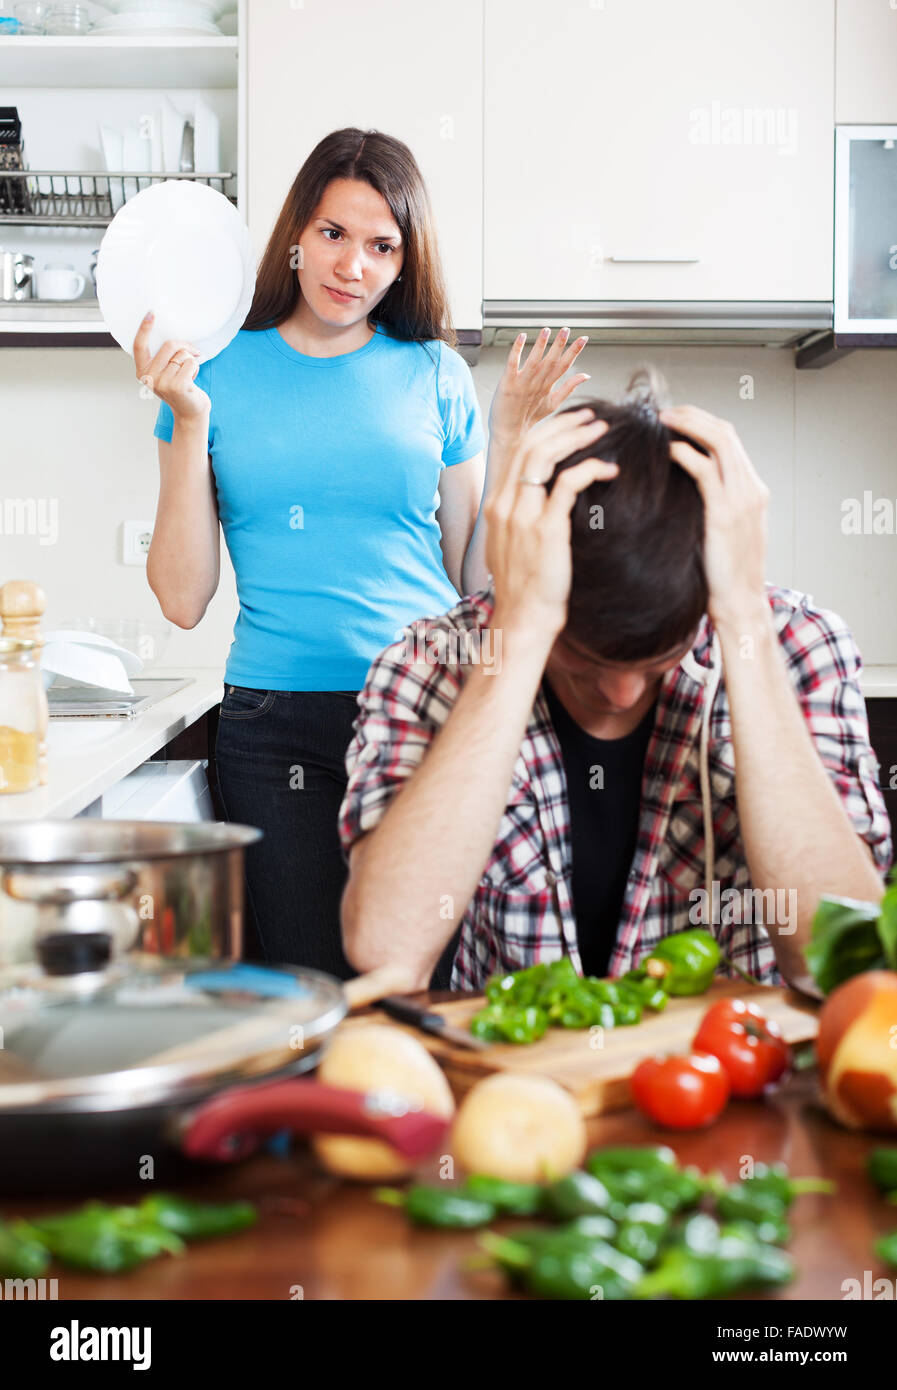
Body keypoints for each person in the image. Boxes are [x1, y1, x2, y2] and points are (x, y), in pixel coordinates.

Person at [137, 127, 590, 979]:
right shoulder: (213, 373)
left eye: (382, 246)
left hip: (426, 707)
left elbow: (475, 579)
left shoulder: (433, 371)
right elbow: (181, 598)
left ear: (403, 261)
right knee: (314, 990)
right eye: (336, 235)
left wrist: (510, 441)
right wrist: (188, 419)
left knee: (423, 981)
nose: (353, 267)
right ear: (297, 237)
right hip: (276, 729)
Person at [338, 363, 892, 993]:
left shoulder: (796, 644)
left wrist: (743, 616)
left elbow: (842, 963)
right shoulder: (432, 660)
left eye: (658, 660)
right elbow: (388, 949)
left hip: (737, 1079)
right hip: (516, 1081)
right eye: (584, 659)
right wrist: (518, 636)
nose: (622, 695)